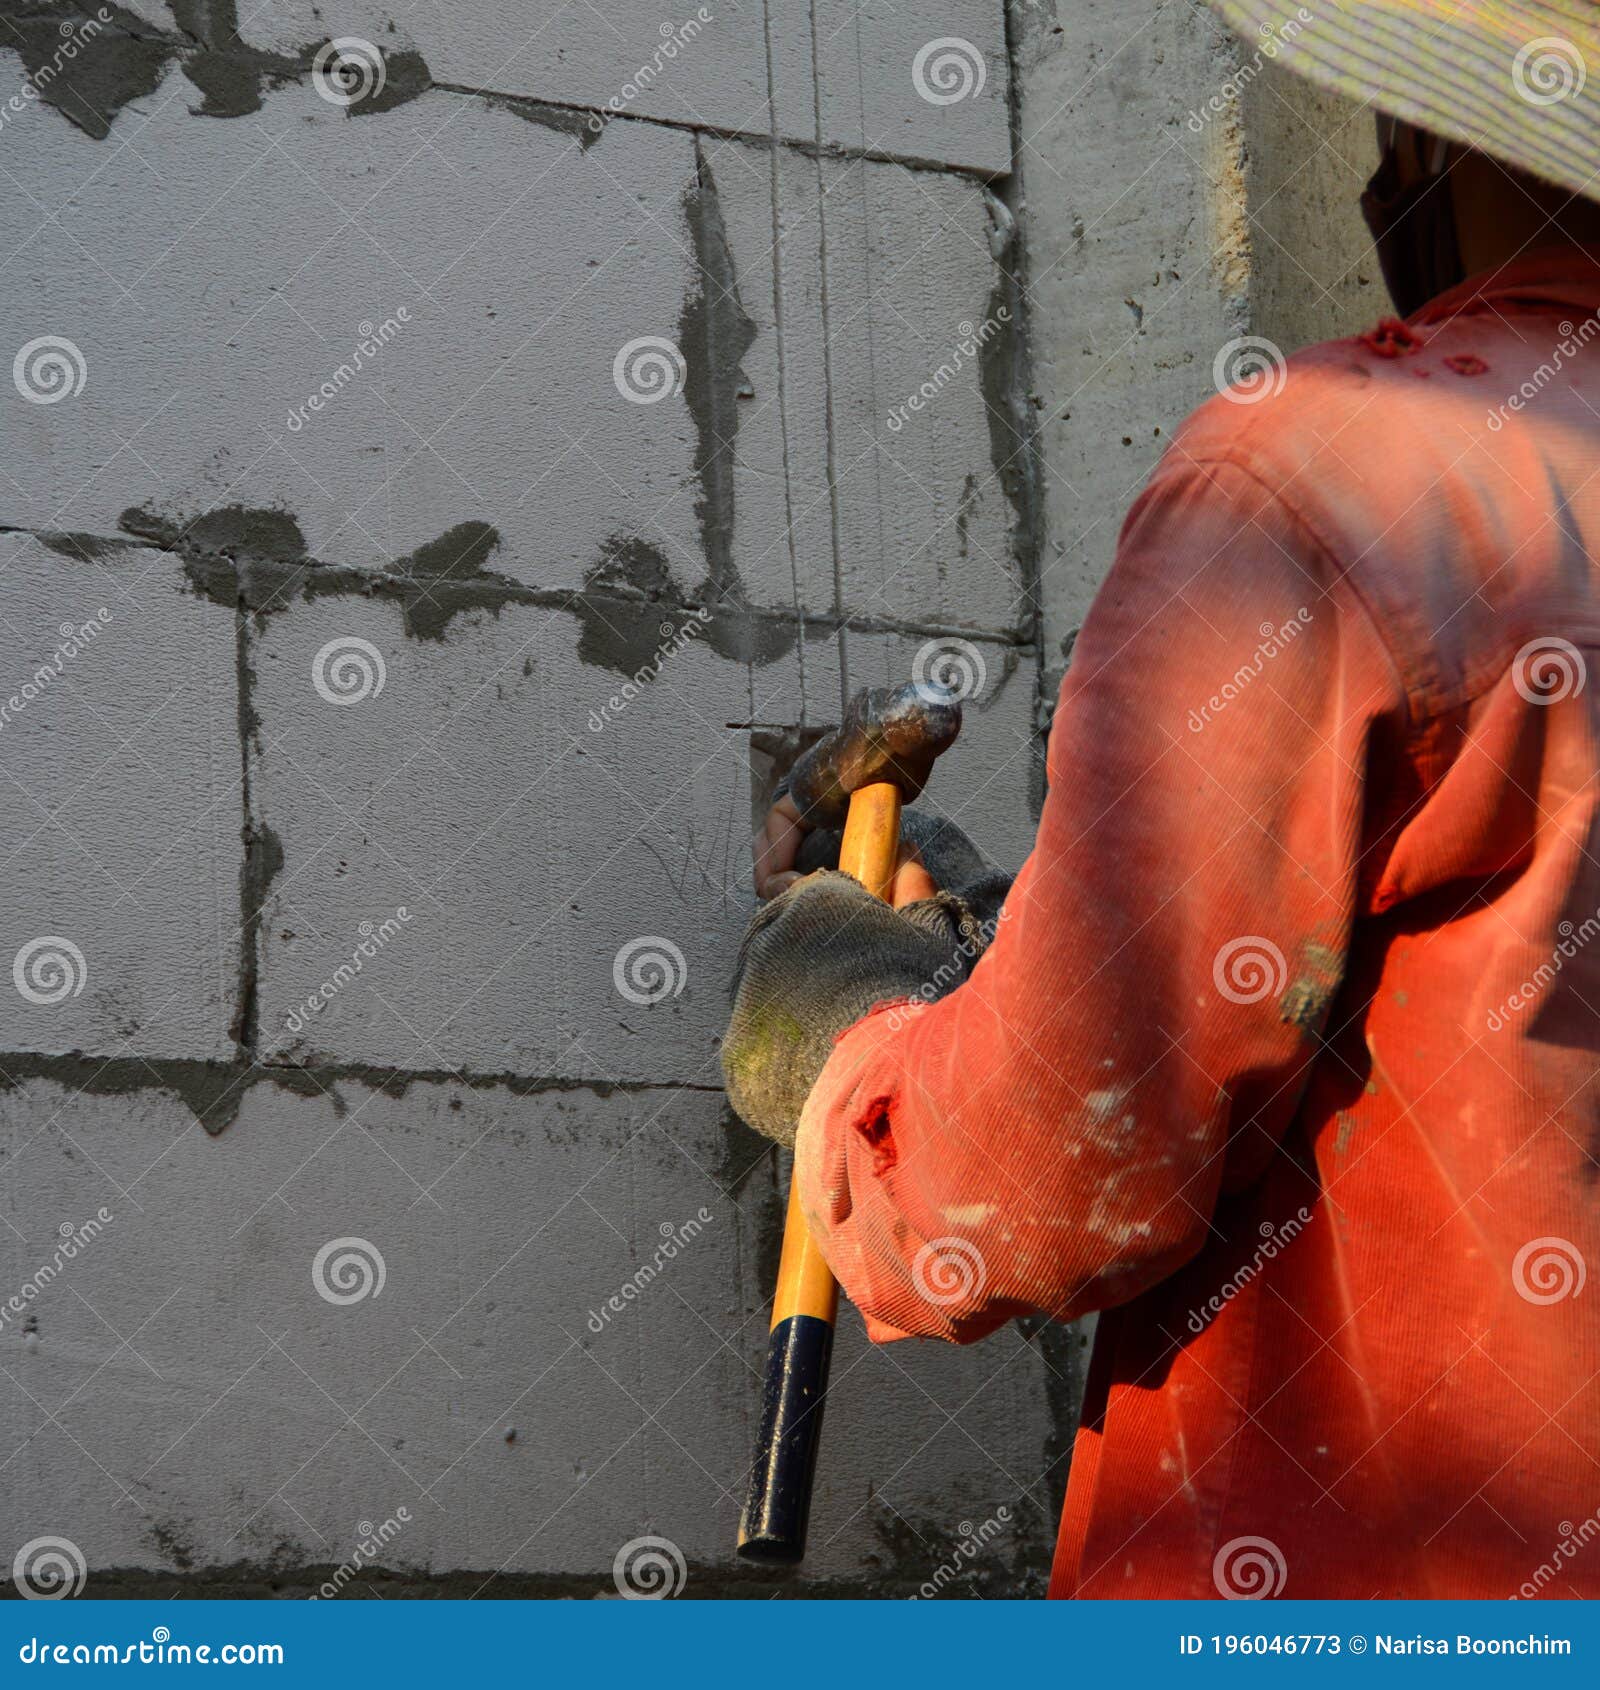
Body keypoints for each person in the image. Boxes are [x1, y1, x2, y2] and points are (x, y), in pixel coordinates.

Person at [722, 3, 1600, 1599]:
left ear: (1448, 145)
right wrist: (1016, 954)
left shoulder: (1332, 480)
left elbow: (1054, 1174)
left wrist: (846, 1040)